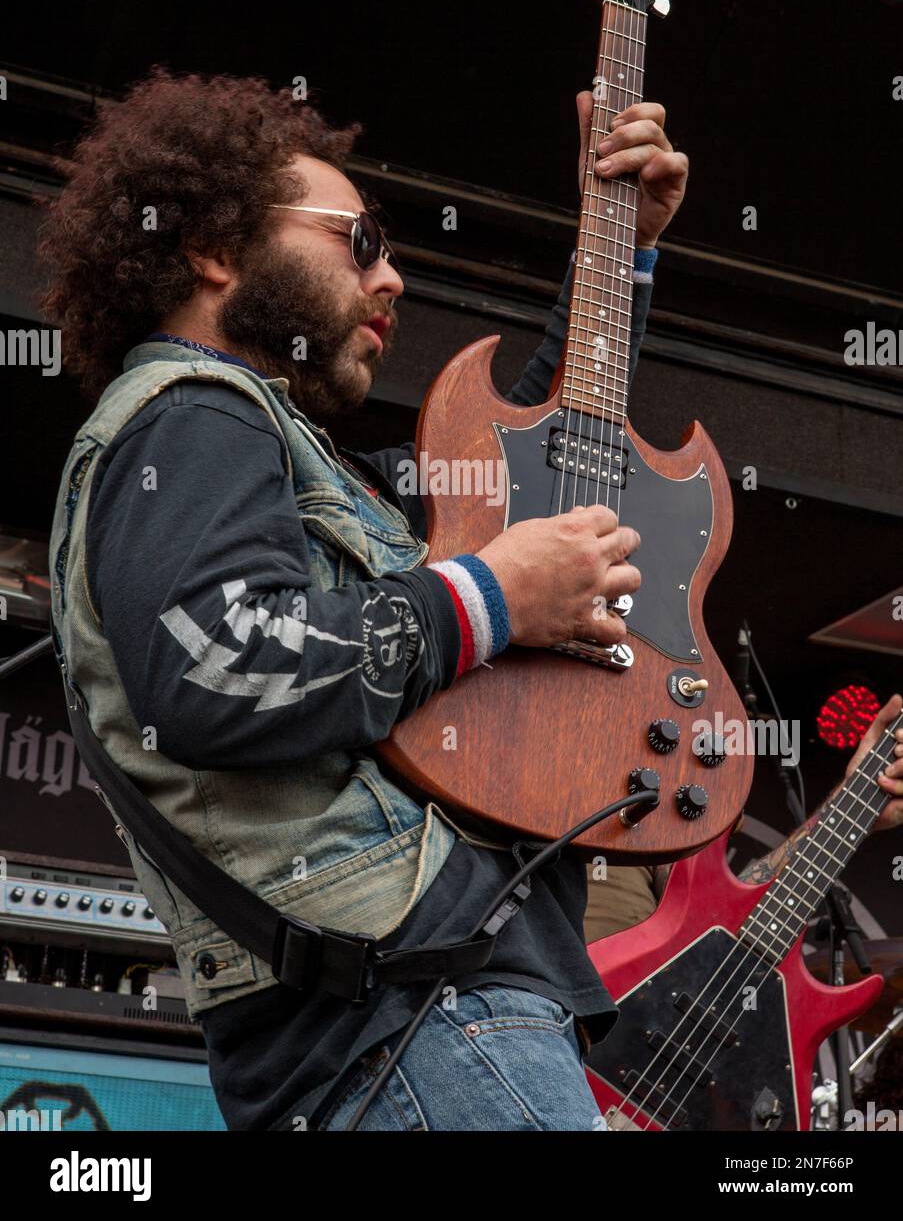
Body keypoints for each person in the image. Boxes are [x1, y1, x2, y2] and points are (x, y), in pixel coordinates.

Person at [40, 66, 687, 1131]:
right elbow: (223, 666)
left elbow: (528, 460)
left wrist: (621, 248)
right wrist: (491, 595)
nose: (392, 278)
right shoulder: (189, 415)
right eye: (361, 238)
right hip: (415, 1023)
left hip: (431, 1023)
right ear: (215, 246)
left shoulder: (295, 461)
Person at [583, 695, 903, 945]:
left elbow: (723, 926)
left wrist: (850, 805)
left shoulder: (650, 807)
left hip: (631, 1012)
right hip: (549, 1008)